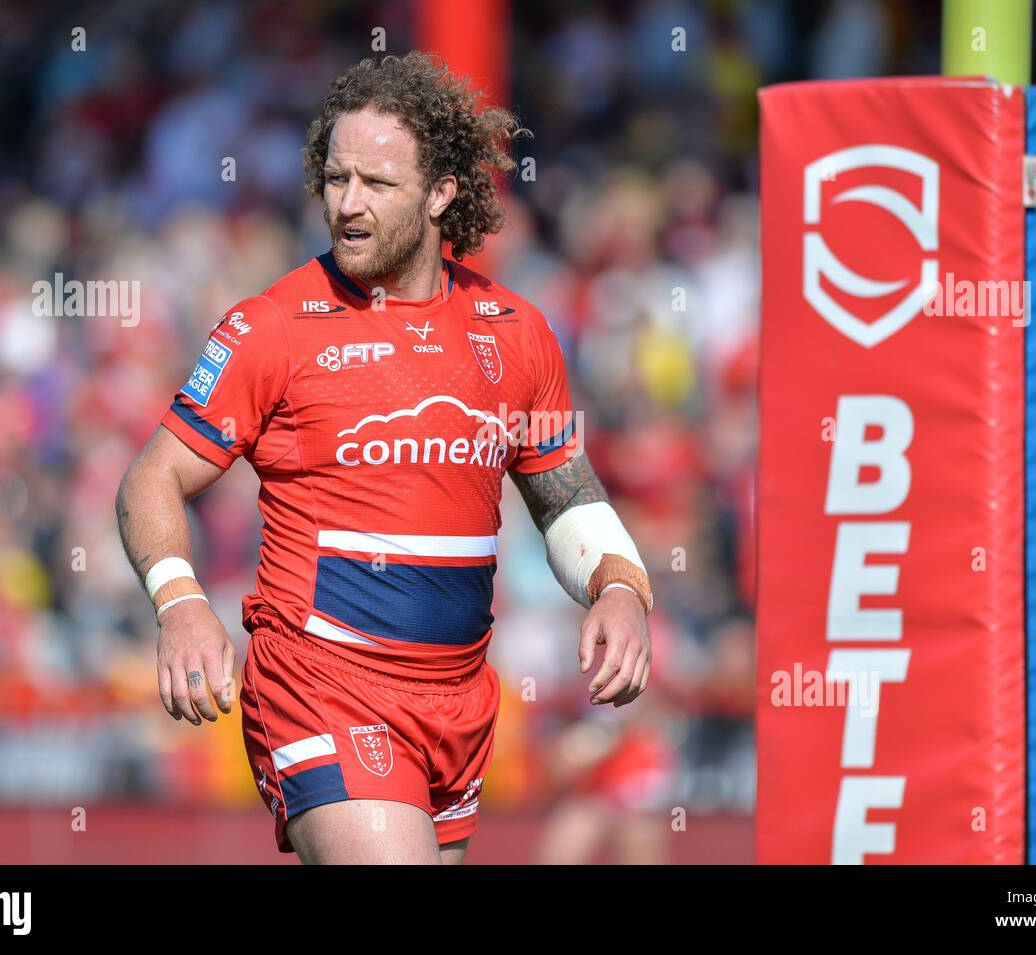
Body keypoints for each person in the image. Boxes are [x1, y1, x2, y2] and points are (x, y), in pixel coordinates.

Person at [115, 51, 654, 865]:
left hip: (459, 702)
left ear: (441, 193)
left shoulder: (515, 331)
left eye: (376, 182)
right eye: (336, 179)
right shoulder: (274, 326)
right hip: (320, 685)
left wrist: (619, 586)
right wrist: (182, 603)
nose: (348, 204)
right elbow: (151, 477)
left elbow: (565, 494)